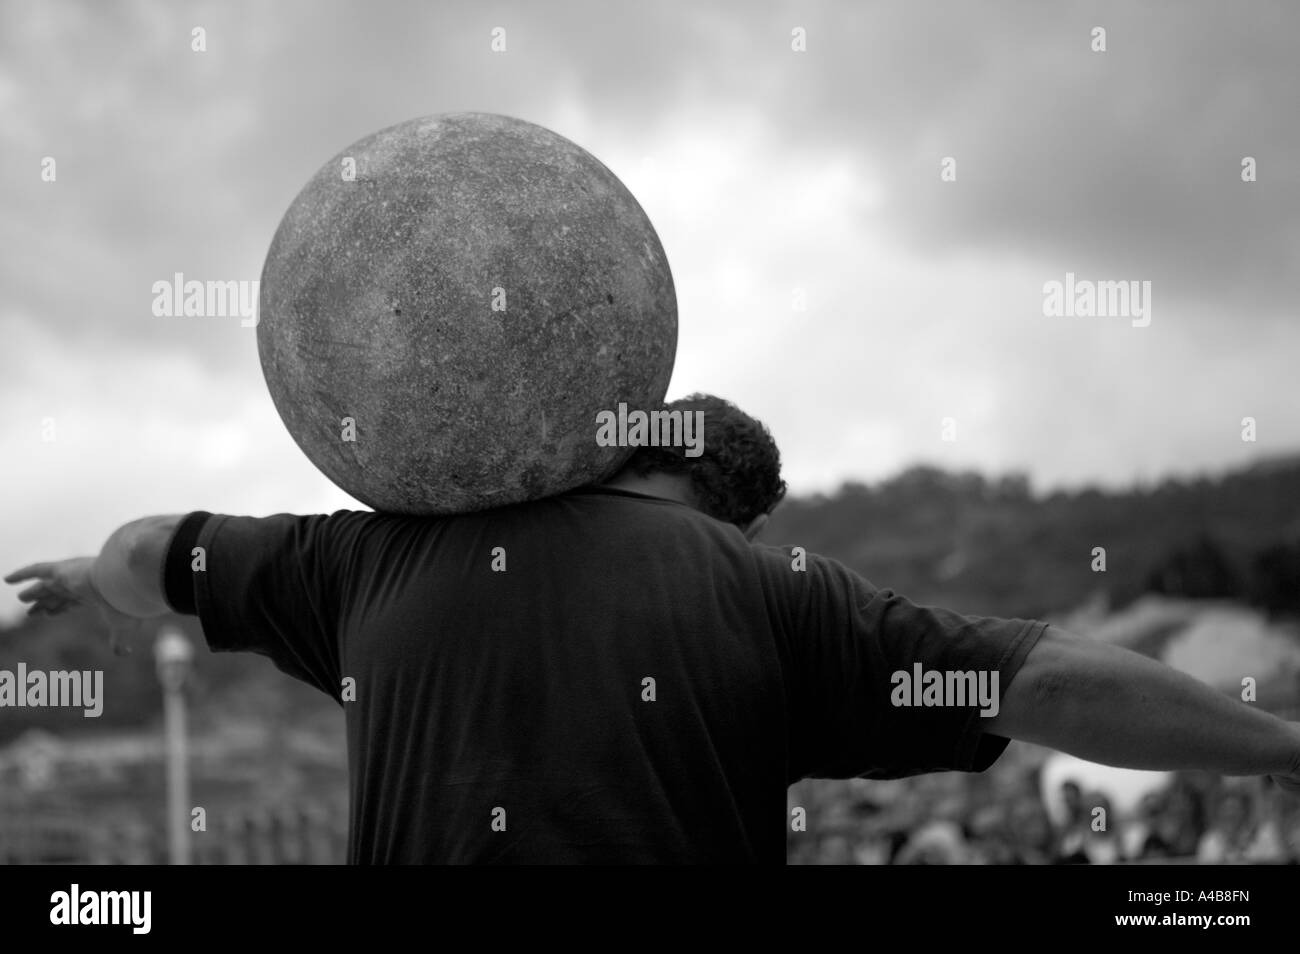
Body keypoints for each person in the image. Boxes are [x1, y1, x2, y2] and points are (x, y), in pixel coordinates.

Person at [8, 393, 1300, 864]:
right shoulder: (779, 592)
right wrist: (1280, 744)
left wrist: (87, 574)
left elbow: (152, 550)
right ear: (735, 510)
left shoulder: (367, 556)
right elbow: (1049, 681)